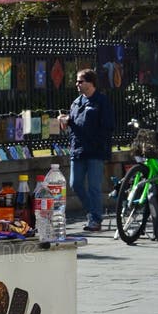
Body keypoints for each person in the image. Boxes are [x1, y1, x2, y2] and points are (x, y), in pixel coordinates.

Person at [58, 69, 115, 232]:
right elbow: (73, 125)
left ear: (91, 83)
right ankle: (94, 213)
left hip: (95, 150)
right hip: (78, 149)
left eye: (80, 81)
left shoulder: (101, 101)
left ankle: (95, 219)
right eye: (76, 81)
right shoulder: (76, 102)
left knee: (94, 187)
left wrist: (98, 141)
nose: (77, 84)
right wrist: (66, 121)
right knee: (75, 184)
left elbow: (108, 126)